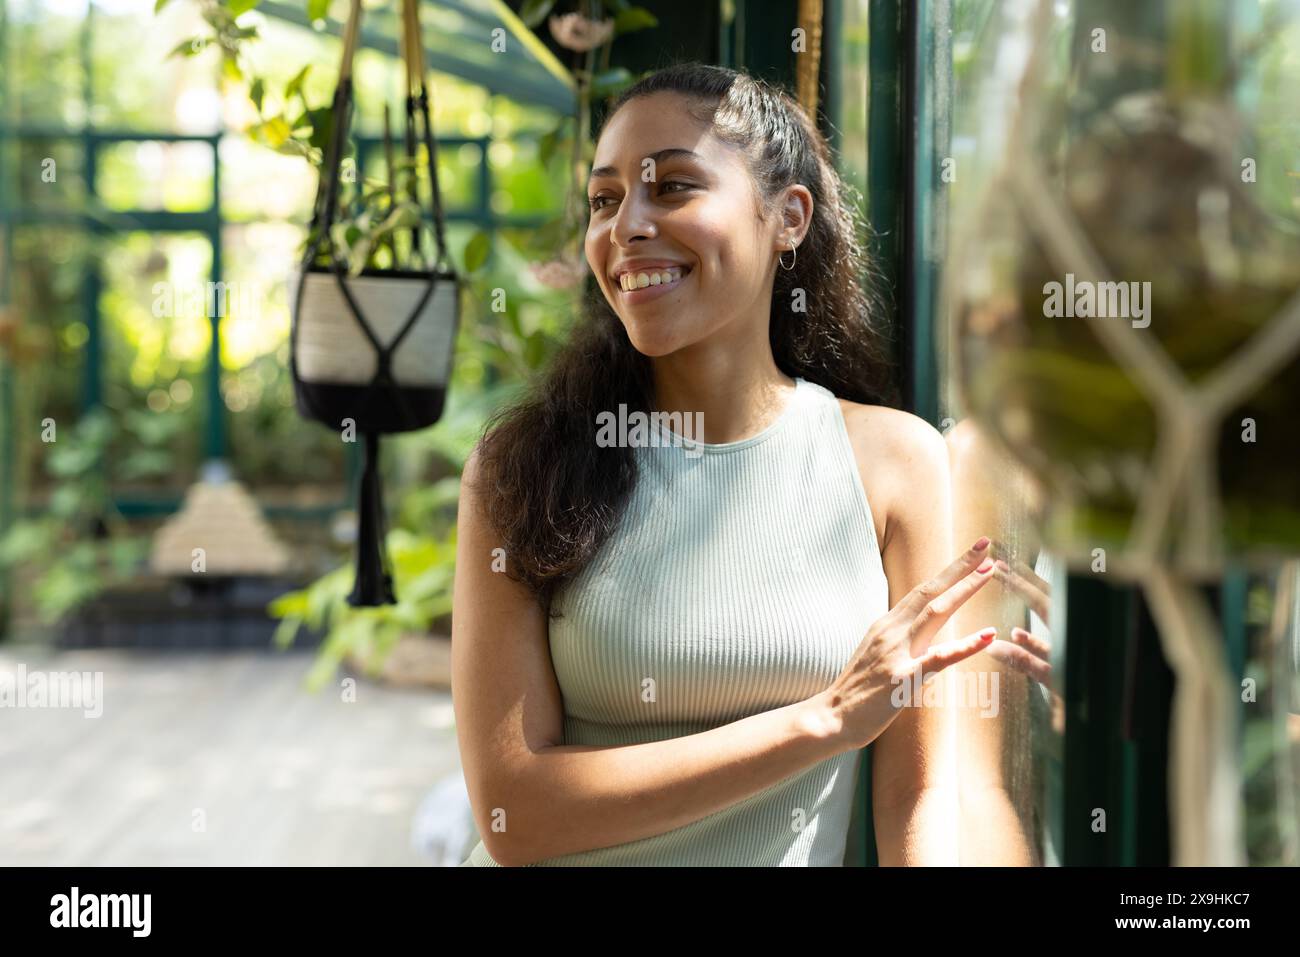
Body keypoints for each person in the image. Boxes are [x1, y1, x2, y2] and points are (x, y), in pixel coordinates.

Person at [451, 62, 999, 866]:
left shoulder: (894, 461)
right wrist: (823, 720)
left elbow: (922, 794)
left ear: (788, 217)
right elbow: (513, 816)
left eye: (671, 187)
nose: (626, 225)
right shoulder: (524, 465)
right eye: (605, 200)